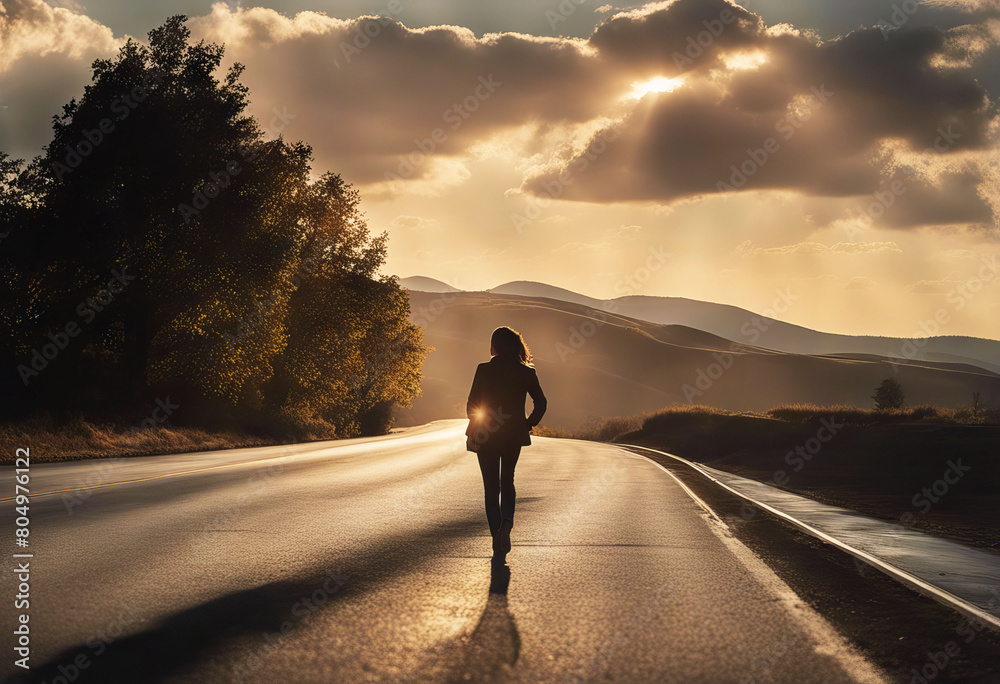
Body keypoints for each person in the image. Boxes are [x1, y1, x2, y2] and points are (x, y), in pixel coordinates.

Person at [466, 326, 547, 559]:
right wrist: (528, 423)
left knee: (491, 488)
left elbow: (472, 403)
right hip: (513, 433)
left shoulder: (483, 369)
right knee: (508, 481)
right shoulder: (526, 372)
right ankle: (507, 525)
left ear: (495, 345)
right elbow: (541, 402)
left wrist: (477, 422)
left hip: (485, 435)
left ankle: (496, 536)